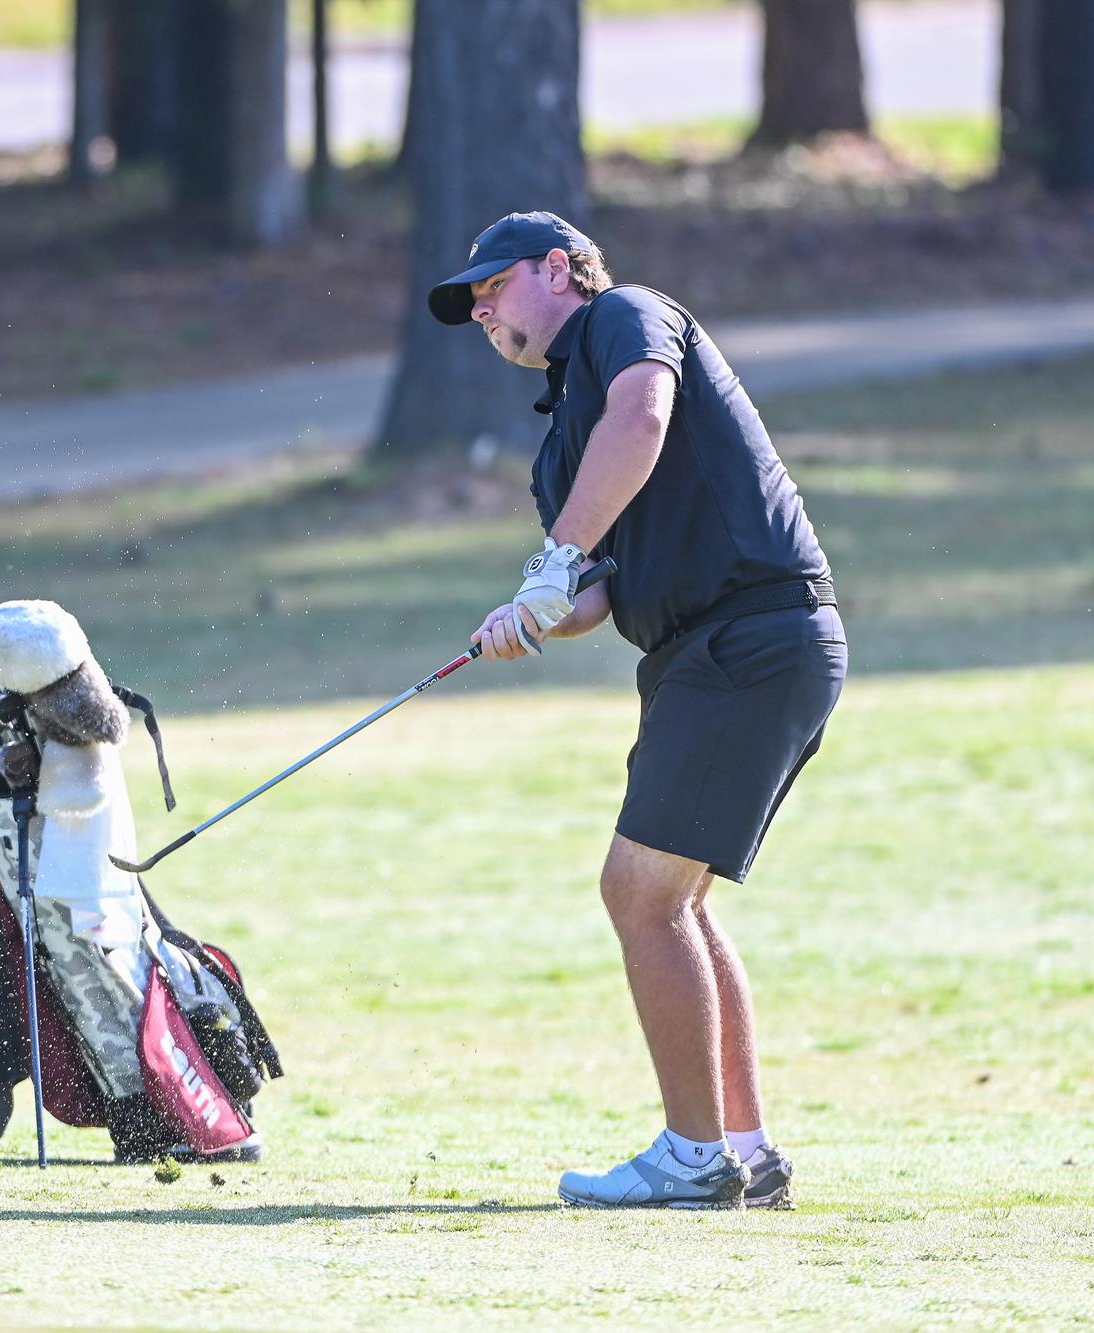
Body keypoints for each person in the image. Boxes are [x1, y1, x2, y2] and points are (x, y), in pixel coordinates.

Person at [430, 211, 847, 1210]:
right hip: (701, 652)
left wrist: (548, 563)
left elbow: (644, 423)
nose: (483, 310)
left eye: (494, 286)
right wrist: (530, 614)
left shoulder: (625, 317)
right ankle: (739, 1148)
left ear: (556, 268)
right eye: (472, 304)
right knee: (674, 900)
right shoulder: (554, 446)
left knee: (638, 893)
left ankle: (693, 1157)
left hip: (747, 632)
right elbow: (596, 592)